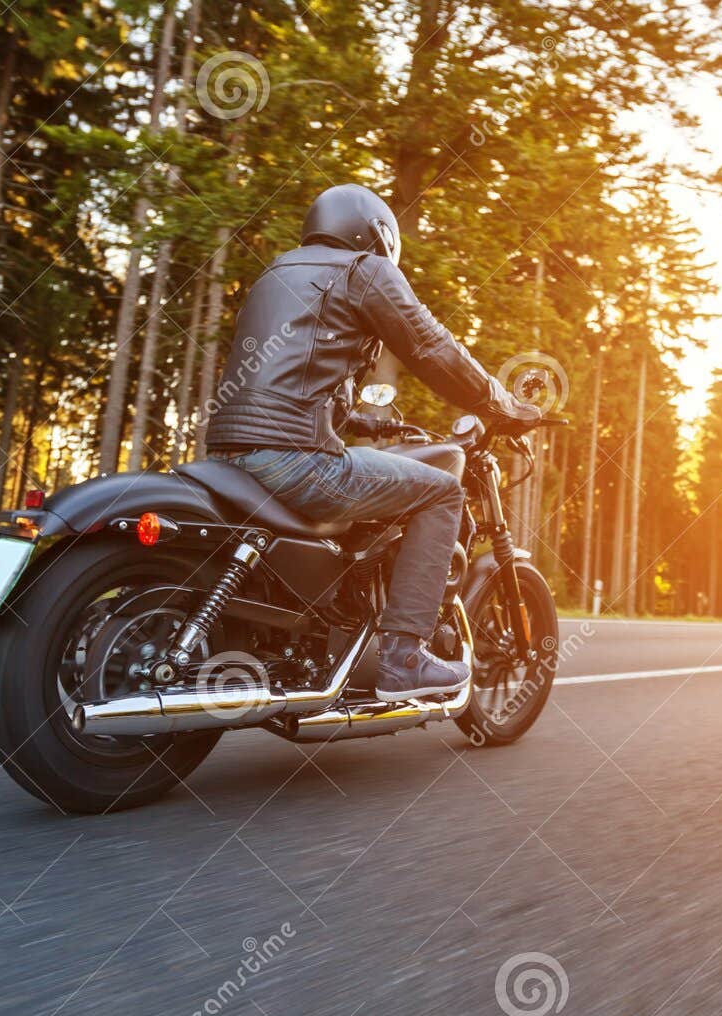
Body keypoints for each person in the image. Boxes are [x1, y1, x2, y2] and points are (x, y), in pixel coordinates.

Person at [203, 183, 541, 701]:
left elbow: (292, 375)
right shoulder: (364, 270)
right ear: (377, 235)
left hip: (231, 452)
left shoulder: (277, 271)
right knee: (442, 493)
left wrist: (363, 418)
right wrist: (500, 404)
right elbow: (431, 348)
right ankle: (403, 660)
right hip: (295, 459)